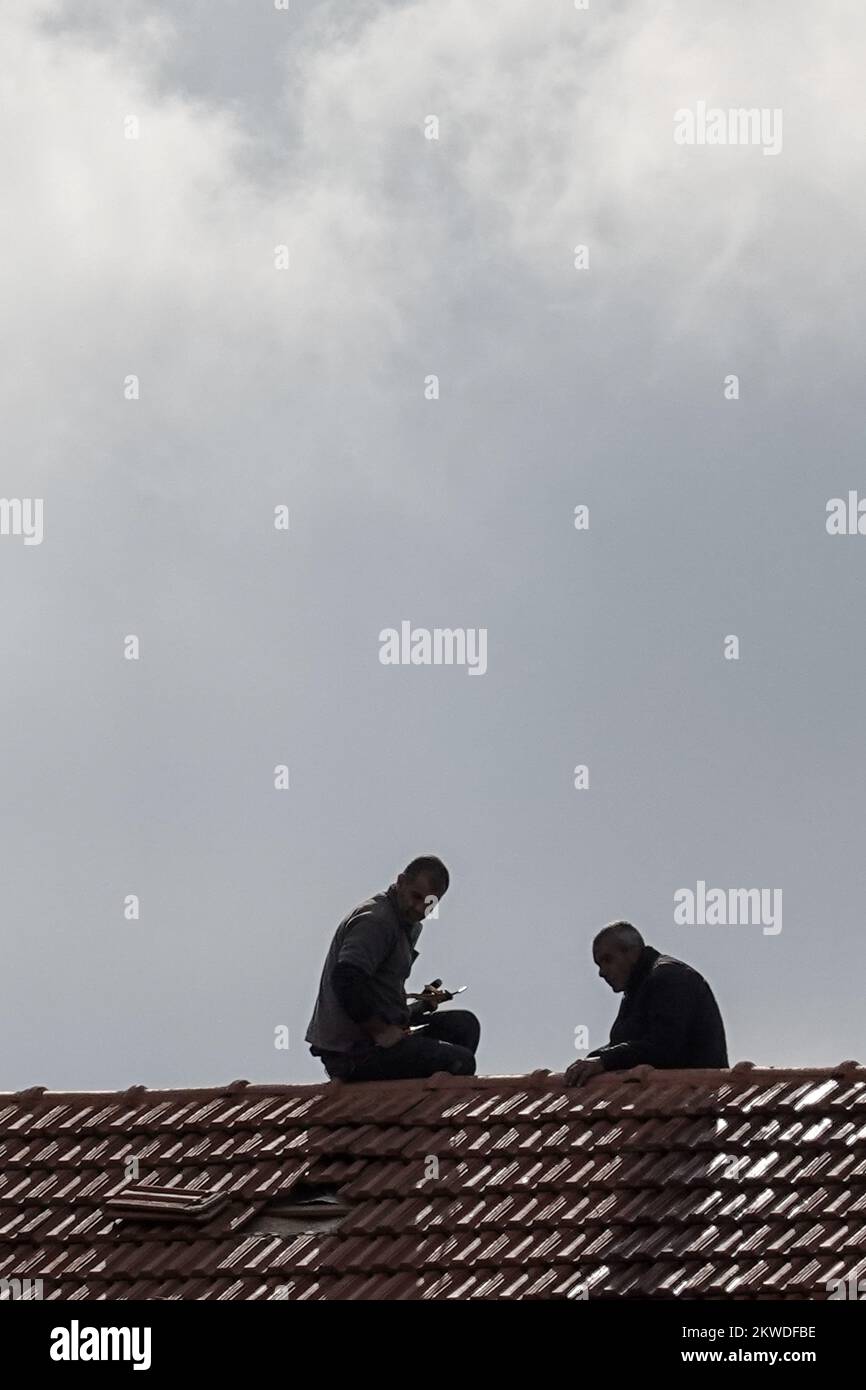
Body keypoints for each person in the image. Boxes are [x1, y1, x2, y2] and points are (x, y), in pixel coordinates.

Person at [306, 856, 480, 1082]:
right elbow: (346, 979)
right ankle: (415, 1108)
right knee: (462, 1062)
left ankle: (420, 1098)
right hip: (352, 1054)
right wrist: (381, 1032)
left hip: (373, 1041)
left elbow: (379, 993)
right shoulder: (377, 921)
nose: (418, 908)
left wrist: (420, 1006)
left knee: (463, 1025)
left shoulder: (406, 925)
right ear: (401, 882)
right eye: (415, 897)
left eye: (428, 904)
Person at [564, 921, 728, 1087]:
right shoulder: (636, 990)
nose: (601, 972)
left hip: (695, 1096)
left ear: (632, 953)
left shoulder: (669, 978)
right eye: (599, 965)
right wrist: (593, 1060)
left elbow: (663, 1047)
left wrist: (602, 1061)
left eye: (608, 960)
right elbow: (628, 1044)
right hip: (666, 1097)